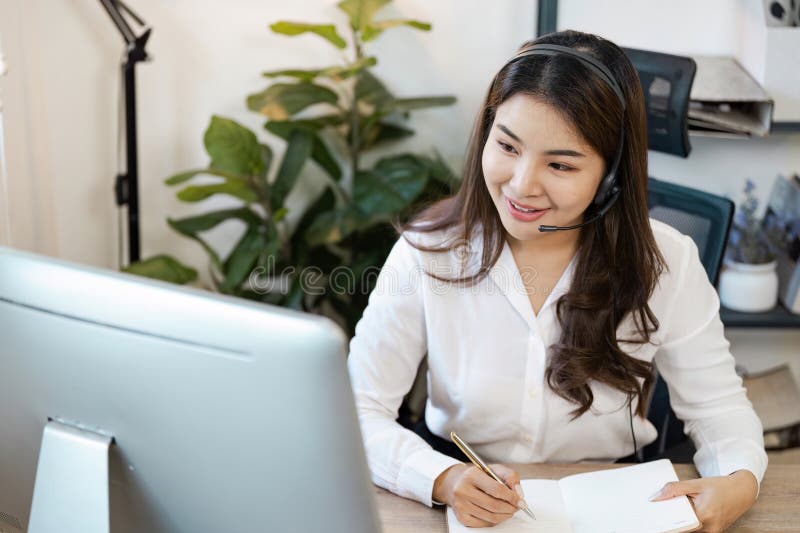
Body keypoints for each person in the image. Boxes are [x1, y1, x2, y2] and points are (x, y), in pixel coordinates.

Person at [346, 29, 766, 532]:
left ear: (610, 179)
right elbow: (357, 409)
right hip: (459, 499)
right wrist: (442, 478)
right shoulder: (428, 251)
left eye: (561, 164)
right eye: (507, 146)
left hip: (615, 504)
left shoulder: (667, 260)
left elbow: (719, 409)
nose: (522, 184)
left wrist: (739, 482)